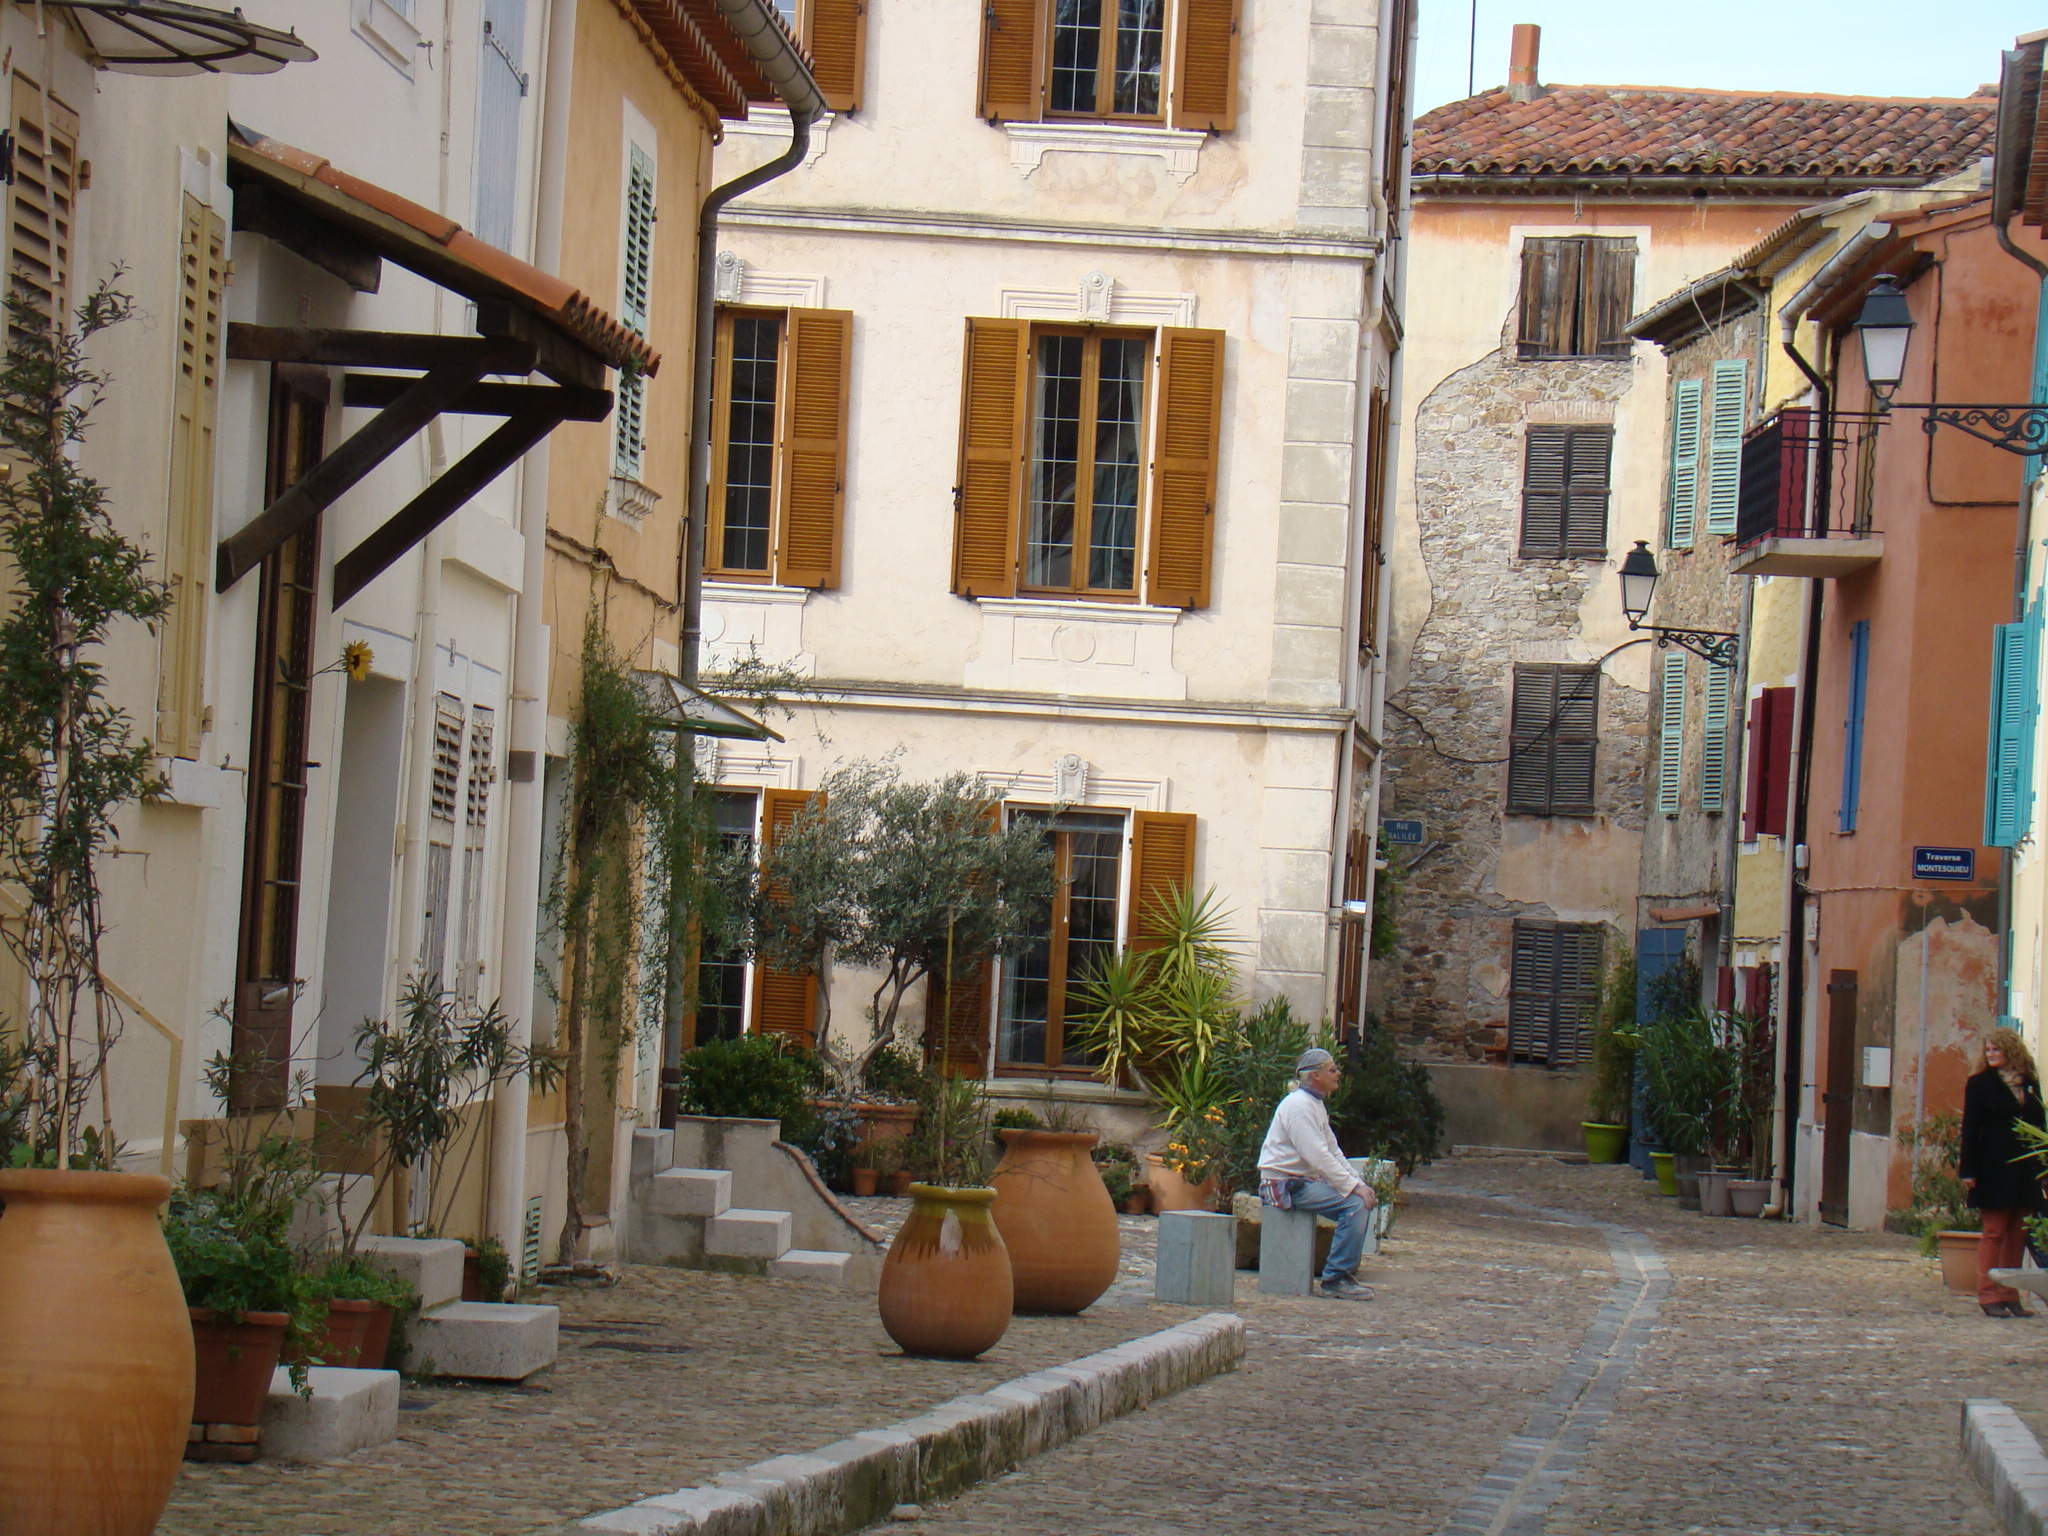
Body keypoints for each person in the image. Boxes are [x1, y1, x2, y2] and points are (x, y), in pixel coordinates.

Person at [1257, 1047, 1379, 1301]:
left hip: (1300, 1182)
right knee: (1355, 1205)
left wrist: (1358, 1183)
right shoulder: (1298, 1106)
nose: (1338, 1073)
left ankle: (1340, 1275)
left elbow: (1333, 1151)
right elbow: (1318, 1156)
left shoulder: (1313, 1104)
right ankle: (1336, 1278)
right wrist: (1353, 1189)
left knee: (1358, 1198)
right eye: (1332, 1069)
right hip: (1284, 1185)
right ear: (1315, 1076)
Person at [1959, 1025, 2048, 1318]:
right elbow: (1970, 1128)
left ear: (2011, 1050)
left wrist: (2044, 1167)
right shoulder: (1980, 1083)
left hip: (2025, 1169)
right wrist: (1968, 1170)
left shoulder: (2029, 1083)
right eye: (1988, 1050)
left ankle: (2011, 1292)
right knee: (1994, 1232)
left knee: (2018, 1234)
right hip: (1993, 1167)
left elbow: (2039, 1126)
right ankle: (1988, 1294)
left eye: (1996, 1049)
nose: (1991, 1054)